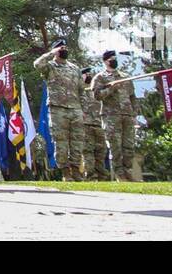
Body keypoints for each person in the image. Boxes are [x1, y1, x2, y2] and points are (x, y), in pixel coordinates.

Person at [33, 38, 84, 181]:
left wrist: (83, 110)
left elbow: (82, 90)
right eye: (61, 48)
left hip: (75, 109)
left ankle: (76, 169)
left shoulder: (74, 68)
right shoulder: (50, 66)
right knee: (61, 141)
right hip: (57, 109)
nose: (64, 50)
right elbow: (37, 64)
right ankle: (65, 171)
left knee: (77, 141)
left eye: (65, 48)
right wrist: (51, 53)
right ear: (56, 51)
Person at [90, 50, 138, 181]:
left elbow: (132, 97)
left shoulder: (125, 77)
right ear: (105, 61)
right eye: (111, 58)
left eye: (115, 58)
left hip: (127, 115)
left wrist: (135, 114)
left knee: (129, 146)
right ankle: (119, 174)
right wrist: (111, 88)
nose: (114, 60)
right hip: (111, 116)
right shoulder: (100, 77)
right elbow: (97, 96)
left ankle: (128, 171)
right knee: (115, 146)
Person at [80, 66, 109, 179]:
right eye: (85, 74)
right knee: (88, 151)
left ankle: (101, 175)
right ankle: (90, 175)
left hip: (99, 123)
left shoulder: (95, 89)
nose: (88, 75)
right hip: (85, 125)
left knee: (101, 150)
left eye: (89, 73)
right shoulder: (78, 89)